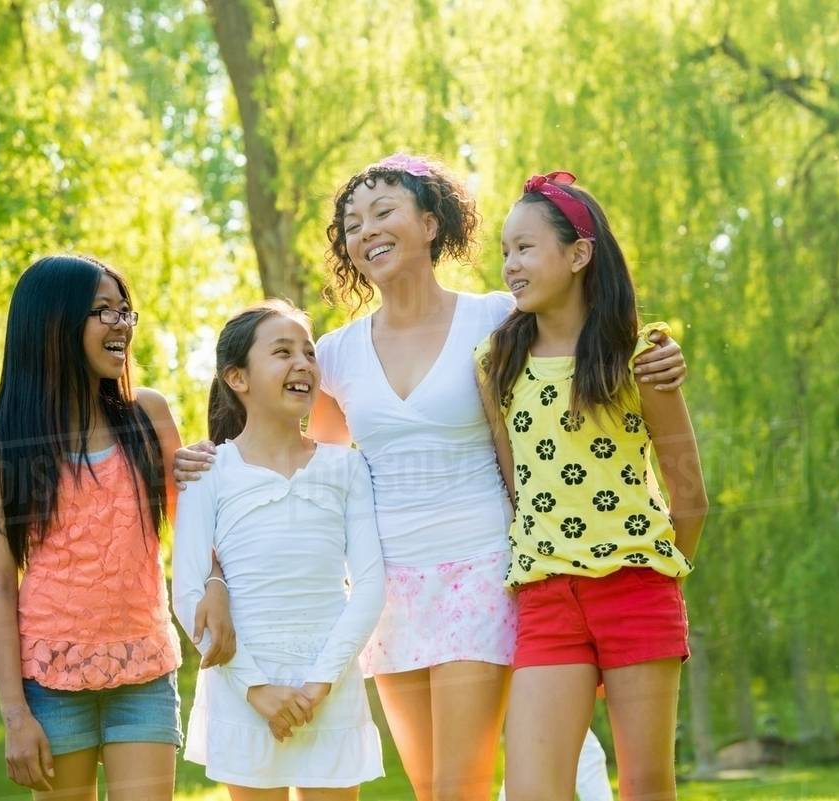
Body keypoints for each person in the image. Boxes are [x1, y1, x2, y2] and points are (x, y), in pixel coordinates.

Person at [175, 155, 687, 801]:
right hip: (391, 587)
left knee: (461, 785)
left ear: (429, 221)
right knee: (427, 787)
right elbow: (295, 478)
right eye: (352, 224)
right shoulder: (334, 353)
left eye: (382, 212)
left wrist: (655, 353)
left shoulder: (499, 320)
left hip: (484, 567)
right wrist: (214, 555)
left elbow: (585, 334)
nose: (366, 231)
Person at [477, 173, 708, 801]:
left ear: (578, 254)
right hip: (547, 599)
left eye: (525, 248)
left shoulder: (640, 356)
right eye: (505, 252)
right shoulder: (496, 362)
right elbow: (515, 485)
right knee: (531, 790)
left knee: (646, 785)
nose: (511, 265)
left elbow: (689, 491)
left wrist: (653, 575)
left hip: (638, 590)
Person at [0, 254, 233, 800]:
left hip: (144, 674)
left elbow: (194, 528)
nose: (121, 324)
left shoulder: (148, 415)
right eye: (102, 312)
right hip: (50, 684)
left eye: (125, 312)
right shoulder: (7, 447)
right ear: (53, 325)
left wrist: (214, 580)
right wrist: (15, 715)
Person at [173, 300, 387, 798]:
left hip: (329, 687)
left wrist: (319, 685)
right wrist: (254, 687)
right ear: (238, 378)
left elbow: (370, 587)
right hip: (243, 689)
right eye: (282, 352)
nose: (303, 365)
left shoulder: (346, 468)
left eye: (309, 354)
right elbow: (187, 594)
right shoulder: (208, 473)